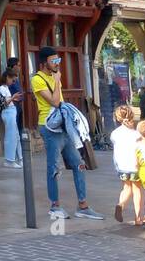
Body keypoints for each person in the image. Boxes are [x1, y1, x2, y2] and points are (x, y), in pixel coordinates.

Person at [31, 46, 102, 220]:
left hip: (63, 126)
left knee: (79, 163)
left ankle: (83, 205)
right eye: (54, 60)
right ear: (44, 62)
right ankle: (55, 206)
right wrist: (56, 81)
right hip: (49, 127)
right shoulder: (37, 80)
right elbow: (55, 102)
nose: (57, 64)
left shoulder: (55, 77)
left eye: (58, 60)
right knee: (54, 167)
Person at [109, 104, 142, 224]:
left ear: (117, 118)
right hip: (135, 165)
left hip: (121, 165)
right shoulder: (136, 134)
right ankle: (138, 217)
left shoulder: (115, 133)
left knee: (126, 188)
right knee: (136, 190)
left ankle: (120, 204)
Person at [0, 70, 23, 167]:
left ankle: (18, 158)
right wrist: (13, 98)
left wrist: (13, 99)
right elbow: (4, 103)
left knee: (16, 137)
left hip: (11, 112)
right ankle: (10, 160)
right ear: (7, 77)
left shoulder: (5, 88)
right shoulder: (1, 88)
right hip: (8, 113)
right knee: (11, 136)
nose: (13, 82)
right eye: (12, 80)